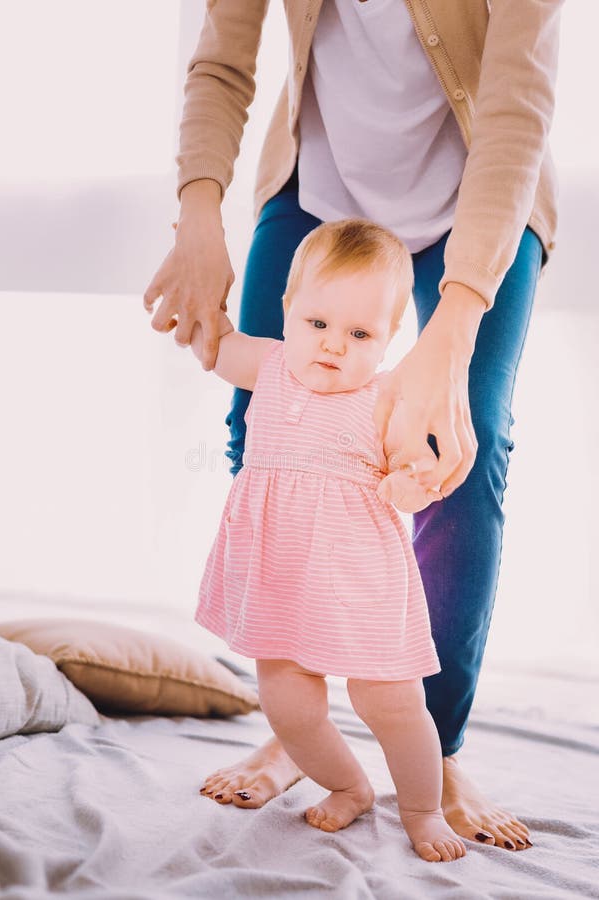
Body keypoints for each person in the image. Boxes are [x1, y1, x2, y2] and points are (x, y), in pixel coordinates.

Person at [144, 0, 562, 852]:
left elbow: (518, 104)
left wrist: (457, 318)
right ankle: (300, 722)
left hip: (478, 199)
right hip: (317, 193)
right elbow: (222, 62)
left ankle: (433, 753)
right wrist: (196, 214)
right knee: (267, 428)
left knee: (462, 446)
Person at [190, 217, 467, 862]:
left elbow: (417, 470)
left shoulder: (387, 397)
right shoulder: (268, 364)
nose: (333, 346)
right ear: (288, 311)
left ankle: (423, 809)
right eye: (317, 324)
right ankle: (347, 784)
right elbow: (211, 342)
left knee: (388, 699)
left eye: (360, 333)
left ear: (390, 337)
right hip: (279, 571)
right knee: (285, 697)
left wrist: (412, 486)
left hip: (358, 579)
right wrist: (193, 292)